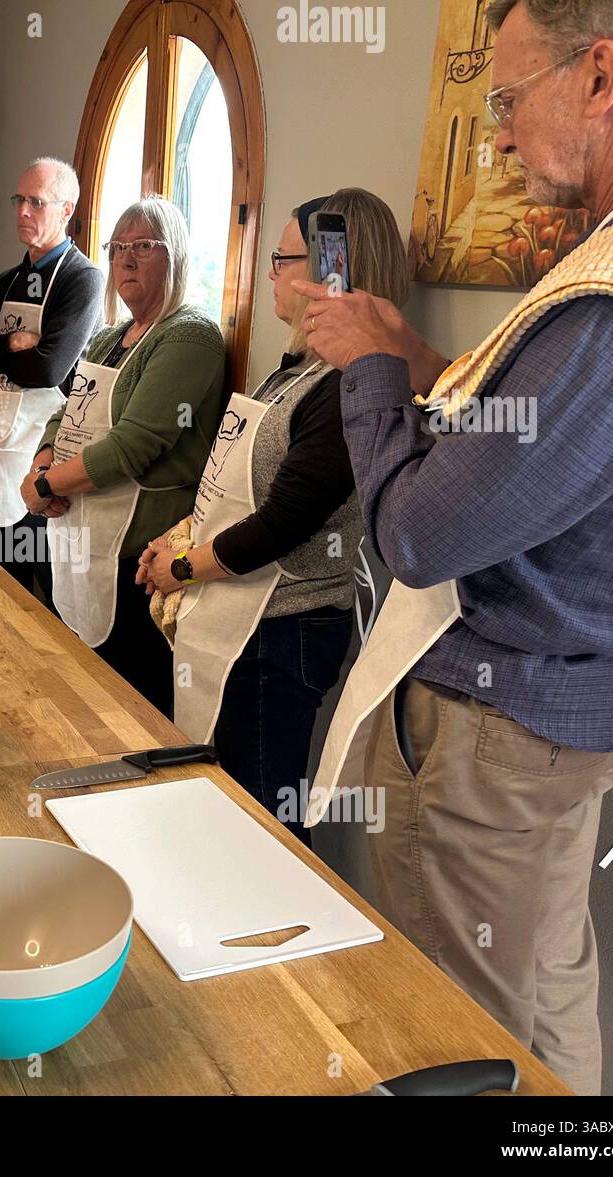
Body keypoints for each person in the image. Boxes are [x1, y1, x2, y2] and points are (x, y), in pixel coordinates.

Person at [298, 0, 613, 1094]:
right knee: (536, 992)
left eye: (509, 102)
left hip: (499, 727)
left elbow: (421, 533)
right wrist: (418, 354)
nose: (502, 137)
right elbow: (518, 444)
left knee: (468, 1025)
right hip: (553, 717)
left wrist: (370, 366)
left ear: (600, 77)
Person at [138, 189, 411, 848]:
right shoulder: (291, 372)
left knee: (262, 815)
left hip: (282, 633)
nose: (269, 273)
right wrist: (179, 536)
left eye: (283, 258)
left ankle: (279, 947)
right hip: (235, 611)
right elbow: (233, 486)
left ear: (332, 271)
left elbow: (282, 523)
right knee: (225, 802)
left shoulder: (347, 386)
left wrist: (181, 568)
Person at [25, 196, 224, 716]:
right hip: (80, 540)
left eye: (144, 247)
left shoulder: (191, 337)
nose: (126, 260)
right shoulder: (108, 339)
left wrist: (48, 487)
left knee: (129, 712)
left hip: (137, 560)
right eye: (117, 248)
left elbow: (135, 445)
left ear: (175, 256)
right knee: (75, 698)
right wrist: (43, 463)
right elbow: (67, 412)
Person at [0, 157, 103, 598]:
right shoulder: (7, 281)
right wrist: (13, 343)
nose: (22, 211)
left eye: (36, 202)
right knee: (2, 590)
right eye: (19, 200)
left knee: (52, 594)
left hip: (49, 458)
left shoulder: (83, 279)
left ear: (66, 210)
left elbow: (48, 369)